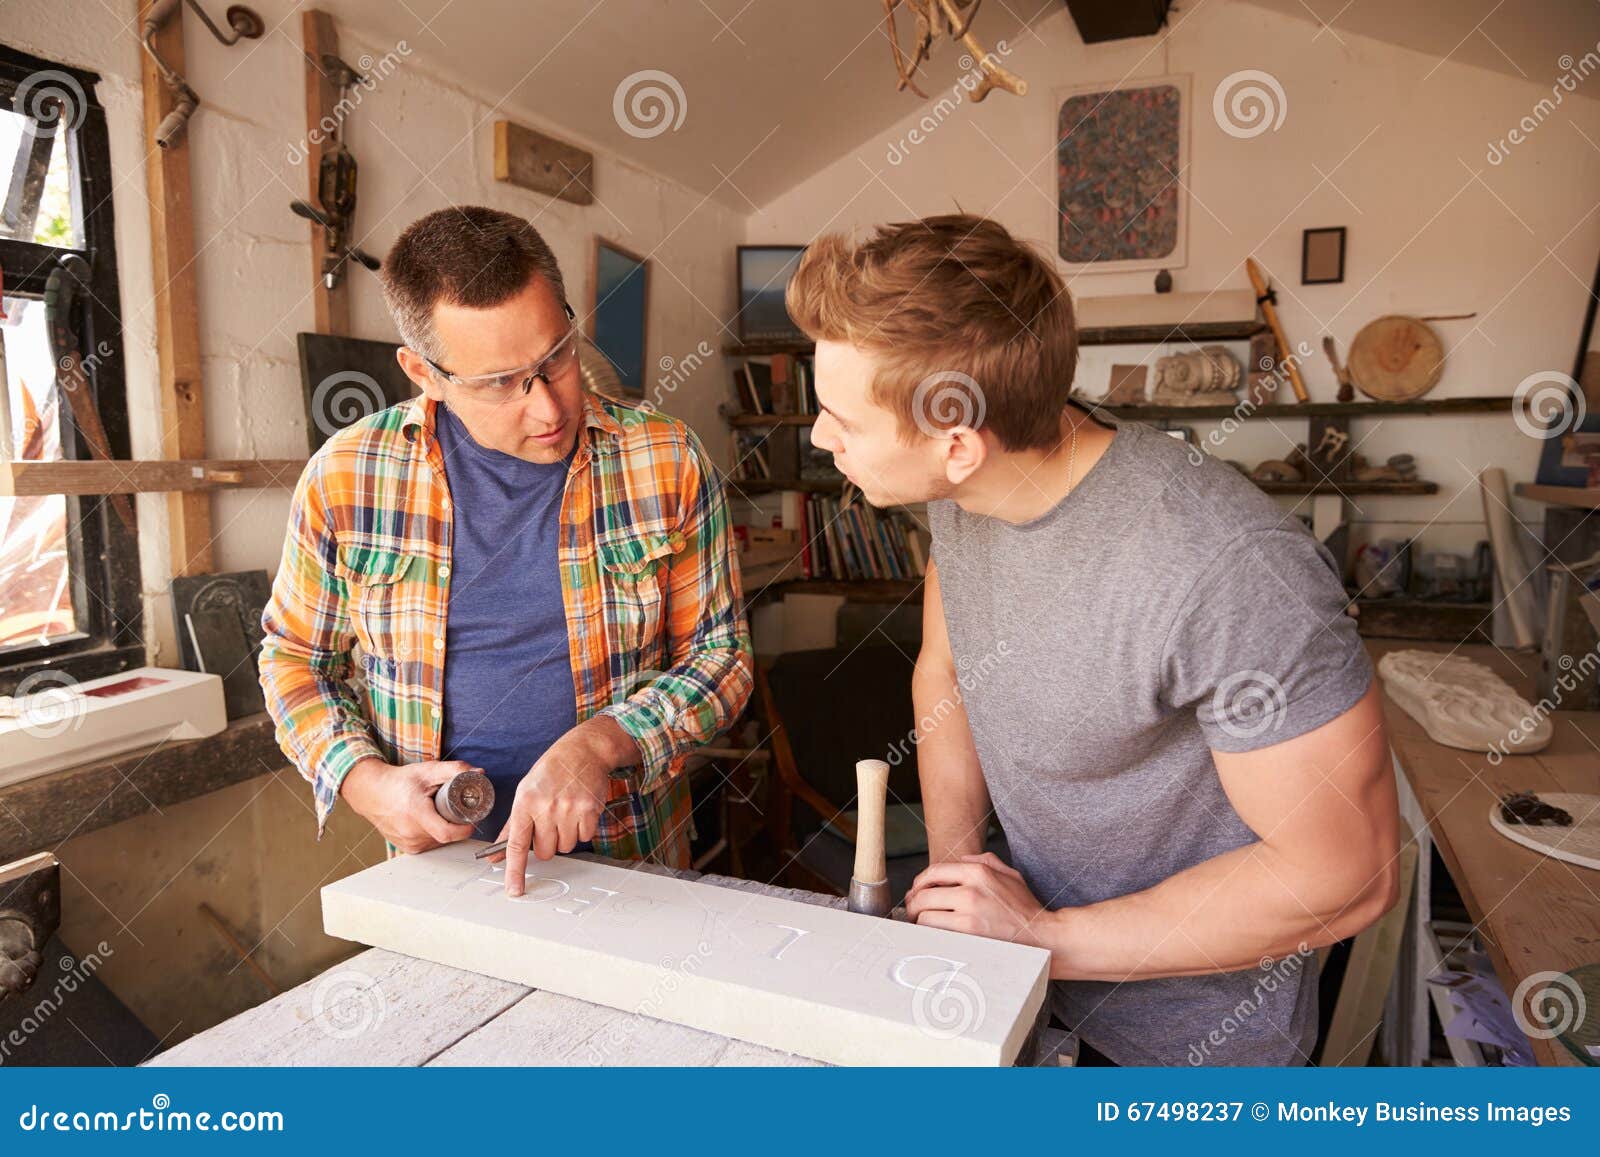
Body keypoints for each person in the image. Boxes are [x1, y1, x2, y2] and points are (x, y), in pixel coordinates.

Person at [784, 213, 1399, 1065]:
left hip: (1188, 1051)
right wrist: (962, 884)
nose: (820, 437)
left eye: (839, 419)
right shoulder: (962, 494)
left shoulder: (1226, 570)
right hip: (1026, 996)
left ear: (959, 443)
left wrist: (1043, 936)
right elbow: (945, 673)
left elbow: (1347, 873)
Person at [260, 206, 751, 893]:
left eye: (556, 357)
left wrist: (604, 742)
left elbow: (721, 658)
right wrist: (364, 781)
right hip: (439, 874)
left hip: (633, 864)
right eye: (499, 383)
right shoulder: (346, 478)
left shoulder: (666, 457)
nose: (550, 408)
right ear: (422, 372)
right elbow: (294, 661)